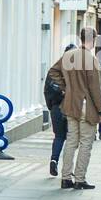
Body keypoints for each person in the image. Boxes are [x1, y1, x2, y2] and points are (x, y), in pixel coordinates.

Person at [59, 28, 101, 190]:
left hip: (71, 104)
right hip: (86, 106)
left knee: (71, 140)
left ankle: (65, 178)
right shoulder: (91, 59)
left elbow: (53, 73)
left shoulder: (68, 55)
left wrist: (66, 89)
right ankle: (79, 179)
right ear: (92, 40)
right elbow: (95, 88)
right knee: (86, 142)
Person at [45, 49, 69, 177]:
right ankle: (67, 167)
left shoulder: (53, 71)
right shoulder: (74, 72)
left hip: (56, 108)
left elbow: (46, 91)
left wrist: (51, 107)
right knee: (71, 138)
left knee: (59, 136)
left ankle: (54, 160)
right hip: (69, 108)